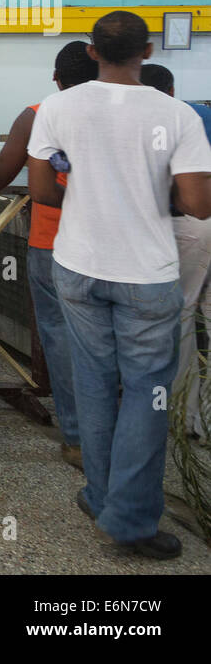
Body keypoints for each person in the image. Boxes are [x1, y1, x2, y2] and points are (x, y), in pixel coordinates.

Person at [28, 11, 211, 559]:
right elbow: (199, 206)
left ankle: (100, 493)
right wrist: (161, 196)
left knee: (94, 382)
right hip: (145, 275)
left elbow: (41, 190)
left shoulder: (58, 107)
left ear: (90, 51)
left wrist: (88, 197)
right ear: (149, 51)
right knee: (146, 395)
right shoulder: (176, 114)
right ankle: (130, 519)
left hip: (78, 266)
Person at [0, 40, 99, 469]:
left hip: (54, 245)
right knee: (106, 343)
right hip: (112, 248)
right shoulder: (122, 111)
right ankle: (115, 436)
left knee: (60, 340)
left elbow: (1, 174)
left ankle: (77, 439)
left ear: (55, 78)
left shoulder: (39, 113)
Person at [140, 62, 211, 441]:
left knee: (180, 316)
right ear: (171, 88)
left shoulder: (156, 119)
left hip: (184, 222)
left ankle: (182, 416)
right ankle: (200, 418)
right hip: (205, 224)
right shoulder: (201, 113)